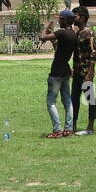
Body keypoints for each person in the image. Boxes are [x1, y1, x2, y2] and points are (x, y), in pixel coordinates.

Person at [39, 10, 78, 138]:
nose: (59, 21)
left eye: (61, 19)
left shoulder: (62, 32)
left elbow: (42, 37)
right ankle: (68, 129)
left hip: (56, 71)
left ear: (66, 20)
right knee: (67, 101)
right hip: (66, 70)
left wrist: (46, 28)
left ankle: (57, 130)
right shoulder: (73, 34)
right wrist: (53, 40)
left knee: (51, 102)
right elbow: (59, 49)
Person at [71, 6, 96, 135]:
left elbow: (93, 53)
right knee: (74, 99)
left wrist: (90, 72)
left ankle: (90, 125)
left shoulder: (89, 33)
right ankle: (73, 124)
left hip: (85, 72)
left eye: (75, 16)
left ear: (82, 18)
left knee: (90, 99)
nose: (73, 18)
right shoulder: (77, 33)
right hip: (76, 72)